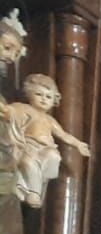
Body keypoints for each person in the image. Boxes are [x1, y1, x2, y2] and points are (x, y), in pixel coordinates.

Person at [2, 73, 90, 208]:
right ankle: (34, 193)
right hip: (29, 147)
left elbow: (63, 135)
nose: (44, 99)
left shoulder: (50, 120)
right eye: (39, 94)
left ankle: (36, 187)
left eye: (48, 97)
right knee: (28, 163)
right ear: (29, 94)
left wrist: (78, 144)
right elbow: (9, 112)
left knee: (53, 156)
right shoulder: (24, 109)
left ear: (54, 100)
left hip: (46, 149)